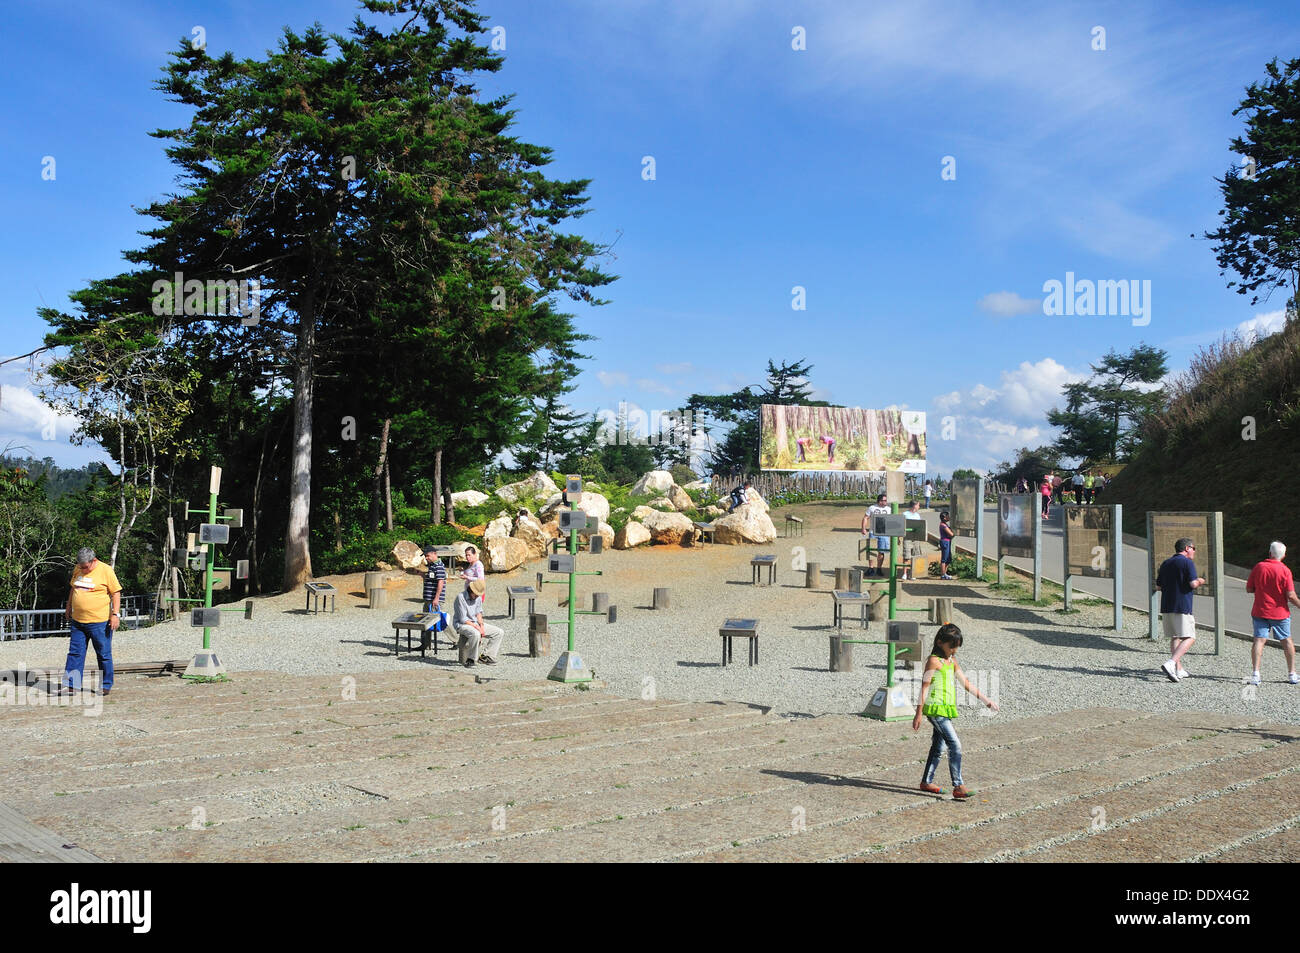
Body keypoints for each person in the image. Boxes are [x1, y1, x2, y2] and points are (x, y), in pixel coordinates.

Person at [913, 623, 999, 799]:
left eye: (957, 646)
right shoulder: (933, 661)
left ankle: (926, 782)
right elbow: (924, 687)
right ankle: (958, 785)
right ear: (939, 642)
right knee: (955, 744)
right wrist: (919, 713)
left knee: (939, 746)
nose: (954, 650)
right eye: (951, 646)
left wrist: (986, 700)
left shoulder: (952, 662)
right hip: (935, 709)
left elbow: (966, 683)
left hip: (946, 709)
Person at [61, 547, 121, 696]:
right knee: (75, 653)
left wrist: (115, 614)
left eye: (85, 567)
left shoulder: (106, 570)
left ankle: (105, 685)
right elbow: (73, 589)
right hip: (78, 621)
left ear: (93, 561)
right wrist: (68, 607)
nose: (83, 569)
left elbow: (116, 593)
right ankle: (71, 685)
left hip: (99, 622)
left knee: (103, 654)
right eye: (81, 567)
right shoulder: (78, 568)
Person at [1245, 541, 1300, 685]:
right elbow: (1291, 595)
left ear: (1269, 553)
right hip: (1280, 613)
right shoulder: (1285, 570)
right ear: (1284, 555)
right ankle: (1292, 674)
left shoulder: (1259, 567)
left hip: (1260, 610)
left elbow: (1249, 589)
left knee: (1259, 641)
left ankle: (1256, 674)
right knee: (1286, 641)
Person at [1154, 538, 1207, 681]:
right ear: (1188, 548)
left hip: (1166, 605)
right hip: (1182, 605)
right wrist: (1201, 580)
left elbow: (1158, 586)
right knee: (1190, 637)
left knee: (1175, 636)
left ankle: (1179, 669)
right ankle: (1171, 663)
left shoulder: (1166, 563)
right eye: (1194, 548)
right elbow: (1193, 583)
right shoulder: (1187, 562)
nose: (1194, 551)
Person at [452, 578, 503, 667]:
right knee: (476, 634)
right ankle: (471, 659)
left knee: (499, 632)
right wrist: (478, 628)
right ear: (471, 590)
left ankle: (486, 656)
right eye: (475, 594)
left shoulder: (478, 597)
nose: (477, 596)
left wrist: (481, 625)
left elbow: (478, 612)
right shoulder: (460, 597)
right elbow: (463, 619)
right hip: (462, 624)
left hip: (475, 623)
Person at [420, 545, 448, 651]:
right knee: (425, 621)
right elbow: (432, 578)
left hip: (434, 600)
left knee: (440, 620)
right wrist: (422, 575)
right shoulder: (431, 565)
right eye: (425, 556)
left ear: (434, 554)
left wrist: (436, 598)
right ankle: (425, 644)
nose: (426, 558)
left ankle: (455, 639)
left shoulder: (439, 566)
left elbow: (441, 582)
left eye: (428, 555)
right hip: (428, 599)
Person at [861, 493, 892, 576]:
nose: (885, 502)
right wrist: (864, 528)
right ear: (879, 501)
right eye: (883, 501)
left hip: (884, 533)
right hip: (873, 532)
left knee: (881, 551)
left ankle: (879, 568)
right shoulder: (872, 508)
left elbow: (892, 521)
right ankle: (871, 568)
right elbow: (865, 518)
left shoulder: (889, 509)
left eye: (886, 501)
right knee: (871, 550)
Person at [902, 499, 926, 579]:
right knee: (906, 555)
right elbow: (901, 526)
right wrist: (899, 537)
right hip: (907, 537)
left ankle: (912, 574)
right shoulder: (904, 514)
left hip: (916, 538)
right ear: (914, 505)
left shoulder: (917, 515)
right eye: (918, 505)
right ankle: (904, 574)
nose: (919, 507)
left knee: (915, 555)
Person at [938, 511, 955, 580]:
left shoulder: (945, 524)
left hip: (947, 542)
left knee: (948, 559)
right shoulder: (943, 525)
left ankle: (945, 573)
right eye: (948, 516)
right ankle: (943, 575)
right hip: (945, 542)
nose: (949, 517)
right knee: (944, 559)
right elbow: (951, 534)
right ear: (944, 517)